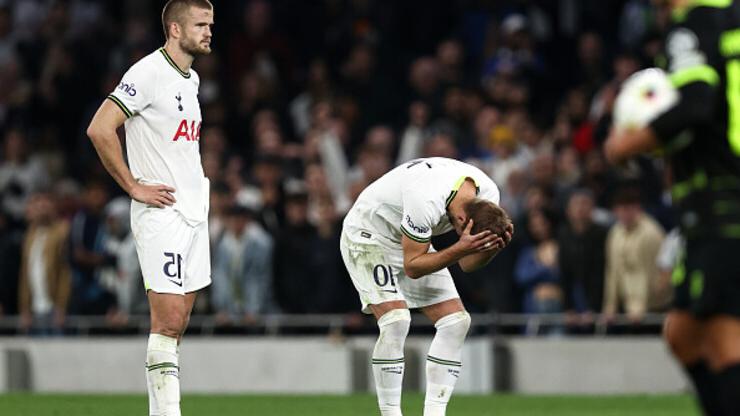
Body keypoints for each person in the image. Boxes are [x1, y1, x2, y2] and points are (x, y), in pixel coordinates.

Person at [605, 1, 740, 413]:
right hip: (713, 205)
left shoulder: (693, 23)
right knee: (682, 334)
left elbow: (697, 104)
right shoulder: (728, 19)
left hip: (722, 204)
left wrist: (629, 142)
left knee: (721, 339)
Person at [85, 1, 214, 415]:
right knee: (168, 321)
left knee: (178, 328)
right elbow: (100, 128)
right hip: (162, 212)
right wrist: (132, 186)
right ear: (175, 29)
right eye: (200, 24)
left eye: (210, 24)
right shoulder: (147, 73)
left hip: (194, 210)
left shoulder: (190, 79)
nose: (209, 31)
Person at [340, 157, 512, 416]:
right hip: (368, 233)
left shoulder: (488, 196)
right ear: (465, 218)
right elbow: (414, 266)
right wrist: (460, 248)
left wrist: (491, 250)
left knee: (456, 322)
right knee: (396, 320)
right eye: (464, 234)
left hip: (407, 239)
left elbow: (467, 264)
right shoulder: (426, 199)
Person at [17, 192, 71, 335]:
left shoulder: (61, 231)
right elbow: (25, 273)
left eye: (44, 206)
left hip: (54, 307)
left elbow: (65, 272)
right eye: (36, 207)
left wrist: (61, 306)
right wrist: (24, 307)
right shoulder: (30, 235)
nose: (40, 210)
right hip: (35, 307)